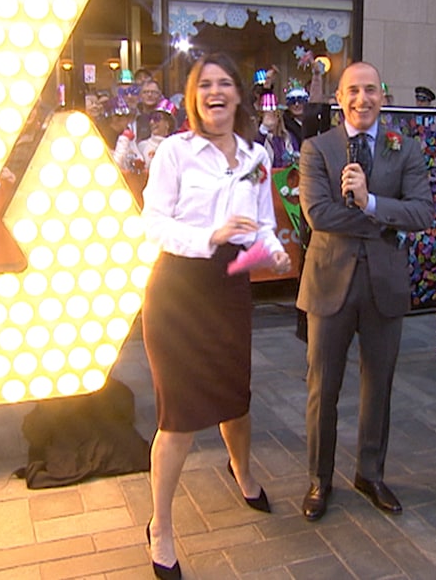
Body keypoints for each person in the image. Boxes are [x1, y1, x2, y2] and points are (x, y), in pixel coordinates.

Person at [140, 53, 291, 580]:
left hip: (229, 288)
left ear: (238, 96)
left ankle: (243, 472)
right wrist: (210, 236)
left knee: (236, 398)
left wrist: (272, 250)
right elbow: (153, 225)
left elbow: (262, 224)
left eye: (225, 83)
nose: (216, 92)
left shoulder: (256, 155)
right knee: (178, 417)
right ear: (194, 95)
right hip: (179, 289)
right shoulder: (175, 152)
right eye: (205, 84)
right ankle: (161, 527)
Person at [297, 61, 435, 522]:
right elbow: (319, 215)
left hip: (384, 284)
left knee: (379, 386)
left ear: (383, 94)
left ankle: (370, 474)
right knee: (324, 388)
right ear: (339, 98)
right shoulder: (317, 149)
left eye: (371, 89)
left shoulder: (407, 149)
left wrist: (369, 202)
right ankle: (320, 478)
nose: (363, 99)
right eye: (353, 90)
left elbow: (420, 214)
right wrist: (380, 221)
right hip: (328, 282)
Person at [256, 93, 298, 169]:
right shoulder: (258, 137)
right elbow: (255, 152)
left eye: (273, 114)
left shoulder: (289, 137)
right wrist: (264, 128)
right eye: (267, 115)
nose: (270, 118)